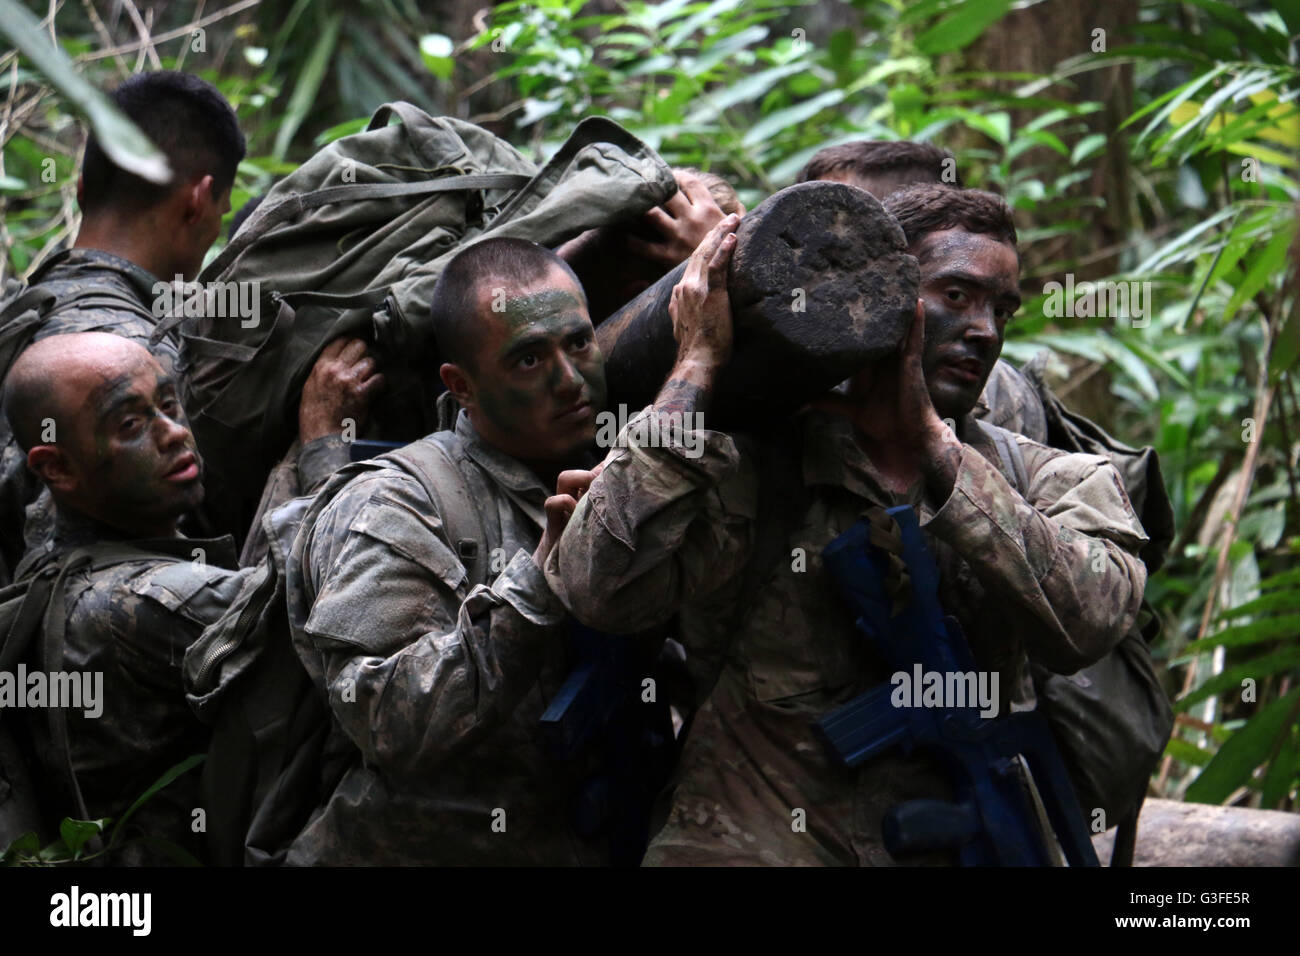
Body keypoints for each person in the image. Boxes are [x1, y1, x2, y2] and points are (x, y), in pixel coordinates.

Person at [545, 187, 1149, 865]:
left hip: (962, 837)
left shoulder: (1053, 480)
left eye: (1001, 309)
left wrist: (935, 451)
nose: (985, 329)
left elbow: (1089, 620)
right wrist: (695, 367)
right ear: (881, 294)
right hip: (747, 842)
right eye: (956, 295)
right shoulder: (757, 470)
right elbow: (599, 588)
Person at [282, 236, 647, 865]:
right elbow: (385, 718)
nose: (569, 380)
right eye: (529, 360)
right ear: (462, 385)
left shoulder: (616, 460)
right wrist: (539, 582)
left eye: (579, 343)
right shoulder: (398, 502)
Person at [1, 331, 378, 864]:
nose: (175, 432)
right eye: (131, 423)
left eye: (169, 402)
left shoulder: (52, 552)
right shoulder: (139, 603)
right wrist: (323, 445)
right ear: (57, 468)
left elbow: (259, 578)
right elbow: (328, 589)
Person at [0, 71, 246, 583]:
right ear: (198, 201)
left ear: (83, 187)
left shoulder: (25, 312)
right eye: (222, 209)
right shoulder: (124, 364)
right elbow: (70, 570)